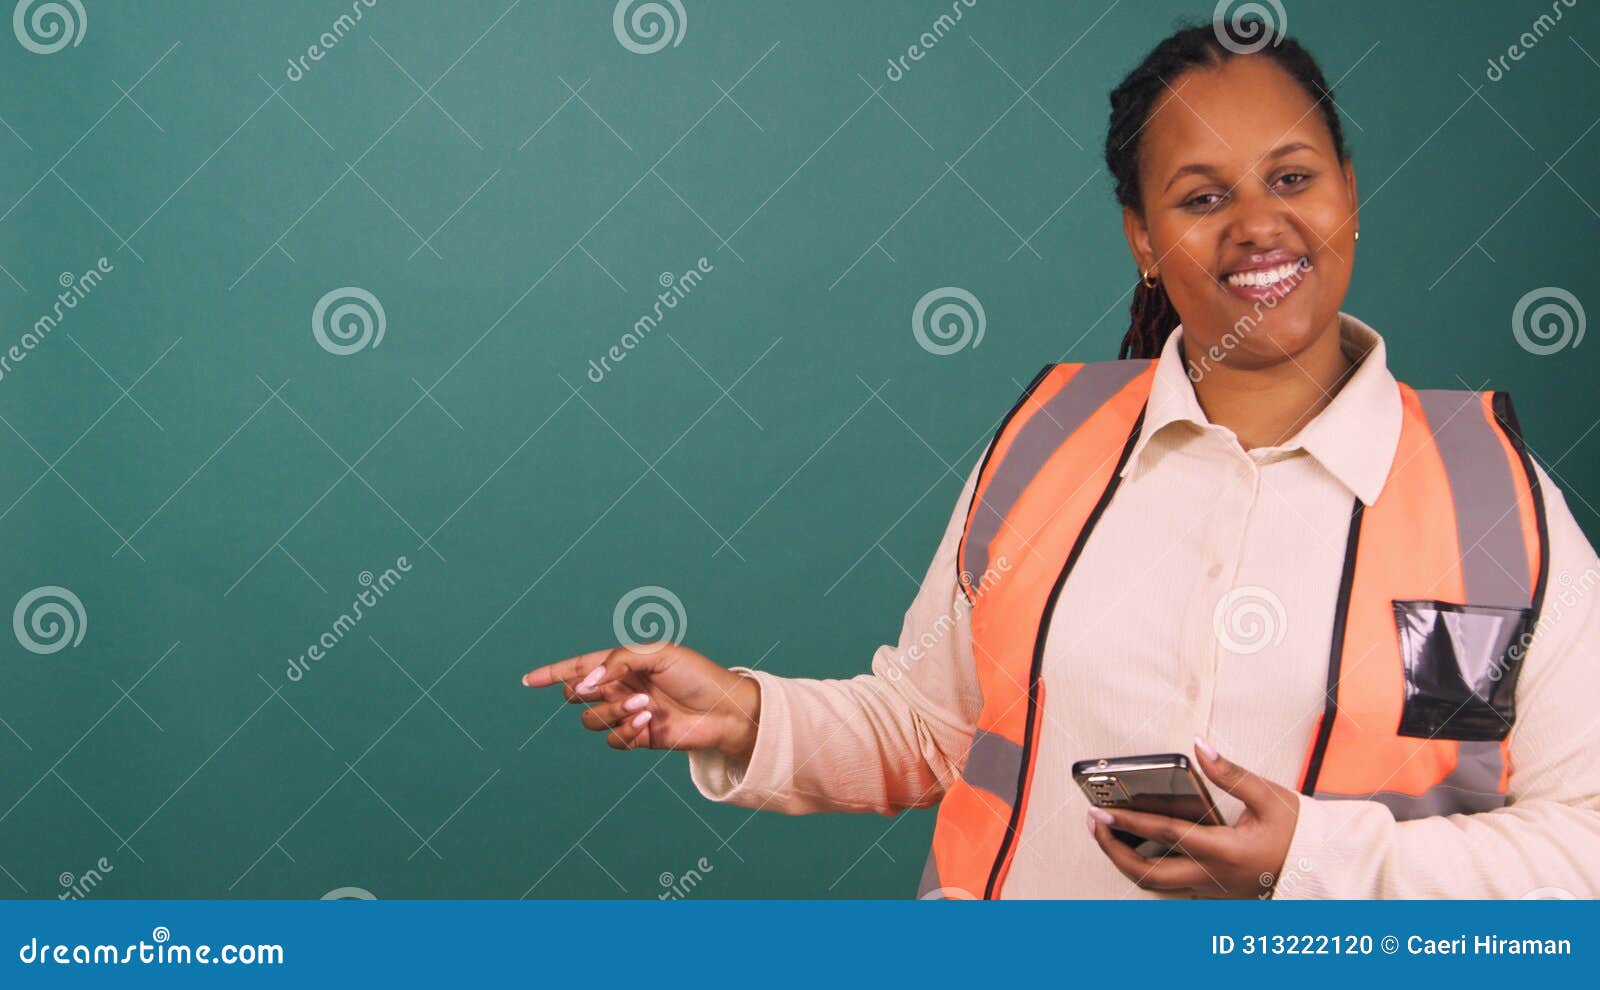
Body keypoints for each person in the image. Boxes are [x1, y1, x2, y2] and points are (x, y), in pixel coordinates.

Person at [523, 21, 1600, 899]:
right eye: (1201, 197)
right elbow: (931, 727)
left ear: (1348, 194)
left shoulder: (1491, 502)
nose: (1258, 227)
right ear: (1140, 236)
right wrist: (752, 714)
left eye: (1291, 176)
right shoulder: (1048, 438)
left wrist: (1307, 861)